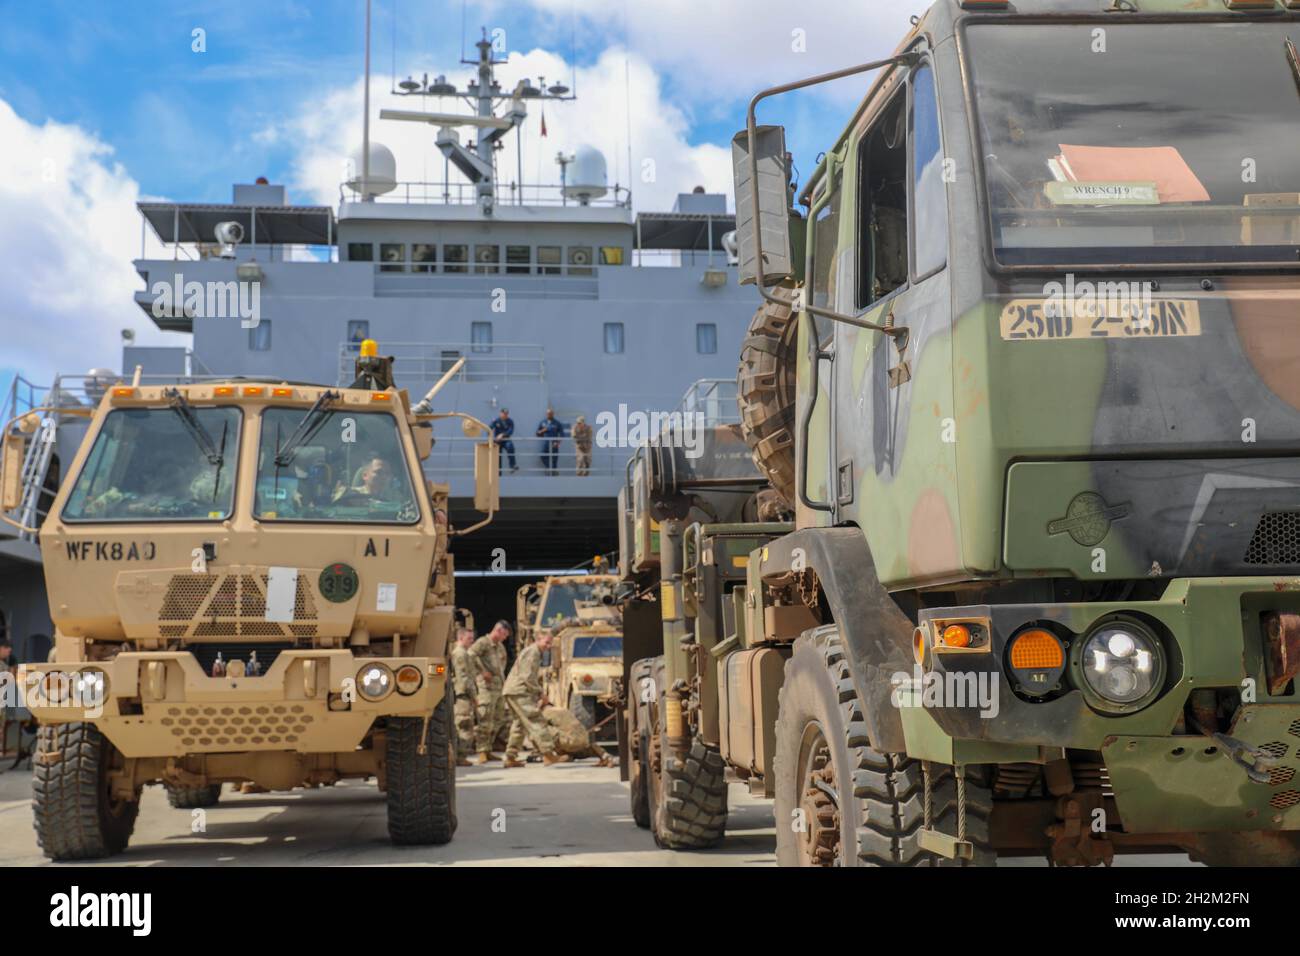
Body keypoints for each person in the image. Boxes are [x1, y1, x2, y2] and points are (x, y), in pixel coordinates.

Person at [501, 630, 568, 767]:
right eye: (546, 642)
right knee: (536, 720)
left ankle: (510, 757)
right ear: (538, 639)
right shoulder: (533, 652)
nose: (548, 646)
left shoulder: (534, 652)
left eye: (550, 643)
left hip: (513, 691)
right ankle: (549, 755)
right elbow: (527, 677)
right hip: (519, 691)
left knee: (519, 725)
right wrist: (540, 693)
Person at [467, 620, 511, 763]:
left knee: (497, 720)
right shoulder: (483, 643)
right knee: (485, 719)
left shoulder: (500, 647)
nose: (505, 638)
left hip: (498, 687)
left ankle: (489, 748)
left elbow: (502, 666)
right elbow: (471, 654)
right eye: (504, 635)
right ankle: (481, 751)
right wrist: (482, 671)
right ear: (497, 630)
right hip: (486, 687)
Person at [543, 704, 615, 766]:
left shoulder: (545, 713)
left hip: (569, 743)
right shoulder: (563, 710)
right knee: (581, 738)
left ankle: (549, 757)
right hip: (583, 743)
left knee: (539, 729)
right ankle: (605, 756)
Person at [449, 628, 477, 766]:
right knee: (464, 725)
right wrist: (473, 695)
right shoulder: (460, 654)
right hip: (462, 695)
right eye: (469, 638)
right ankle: (460, 756)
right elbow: (463, 677)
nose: (472, 641)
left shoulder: (463, 653)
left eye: (472, 638)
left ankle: (460, 755)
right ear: (461, 638)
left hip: (463, 693)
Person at [535, 408, 566, 476]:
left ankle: (554, 473)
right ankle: (550, 468)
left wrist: (558, 443)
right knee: (543, 456)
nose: (549, 415)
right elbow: (537, 433)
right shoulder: (543, 422)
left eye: (551, 413)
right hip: (546, 443)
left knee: (554, 459)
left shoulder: (557, 423)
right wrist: (543, 430)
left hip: (554, 443)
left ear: (553, 414)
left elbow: (562, 434)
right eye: (548, 413)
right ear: (546, 414)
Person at [490, 409, 518, 473]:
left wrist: (502, 435)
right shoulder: (496, 421)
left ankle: (512, 466)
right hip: (497, 441)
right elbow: (489, 428)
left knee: (510, 446)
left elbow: (510, 431)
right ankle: (498, 473)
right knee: (497, 456)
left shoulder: (510, 421)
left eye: (506, 414)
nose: (505, 415)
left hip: (506, 440)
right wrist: (491, 438)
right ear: (500, 413)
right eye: (504, 413)